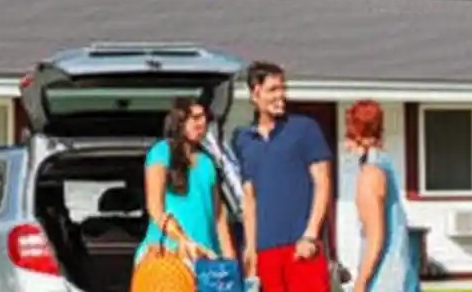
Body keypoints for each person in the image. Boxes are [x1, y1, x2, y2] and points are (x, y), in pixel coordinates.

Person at [233, 62, 333, 292]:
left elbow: (323, 183)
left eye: (282, 88)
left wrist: (310, 235)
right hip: (265, 251)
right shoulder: (242, 139)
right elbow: (249, 198)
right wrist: (250, 248)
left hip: (302, 248)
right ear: (255, 93)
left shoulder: (305, 129)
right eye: (273, 89)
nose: (281, 96)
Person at [136, 97, 236, 266]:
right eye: (195, 118)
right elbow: (155, 209)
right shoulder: (161, 152)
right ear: (180, 122)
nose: (202, 123)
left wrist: (229, 260)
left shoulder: (207, 162)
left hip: (205, 257)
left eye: (204, 117)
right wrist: (182, 239)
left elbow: (218, 216)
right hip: (167, 255)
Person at [347, 100, 418, 292]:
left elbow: (376, 237)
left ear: (356, 135)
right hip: (401, 272)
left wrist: (360, 284)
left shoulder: (371, 174)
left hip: (386, 278)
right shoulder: (385, 165)